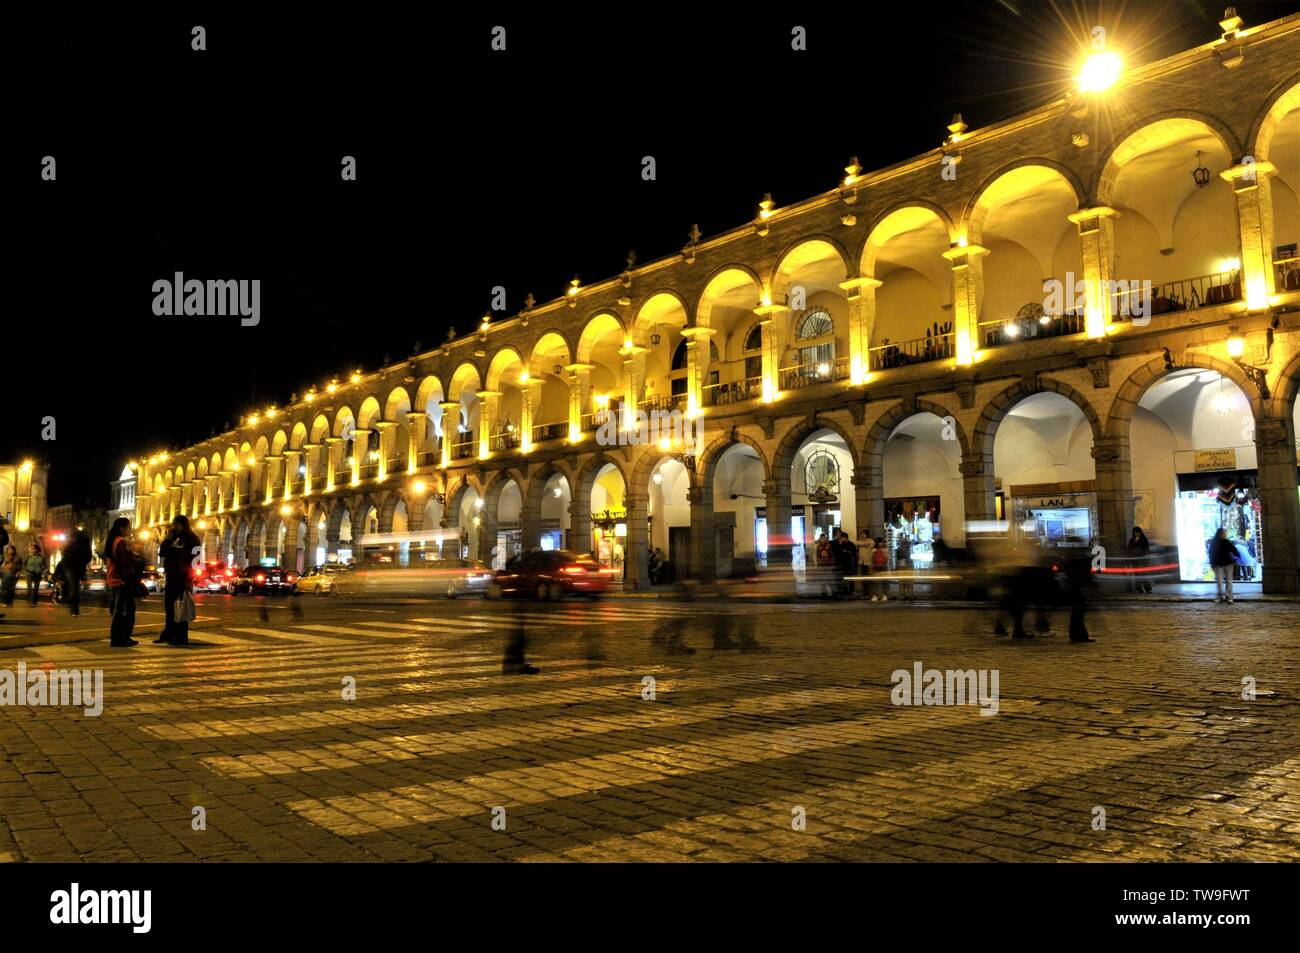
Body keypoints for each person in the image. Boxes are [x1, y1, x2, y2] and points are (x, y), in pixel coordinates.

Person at [157, 515, 200, 645]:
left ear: (181, 525)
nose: (172, 527)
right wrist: (168, 538)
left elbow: (196, 560)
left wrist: (190, 579)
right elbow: (162, 553)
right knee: (169, 607)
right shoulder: (173, 538)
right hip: (171, 576)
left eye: (174, 524)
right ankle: (168, 633)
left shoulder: (192, 539)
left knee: (181, 607)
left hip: (183, 578)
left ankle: (181, 636)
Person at [104, 518, 142, 647]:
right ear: (122, 528)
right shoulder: (120, 542)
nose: (130, 530)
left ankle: (120, 637)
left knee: (120, 609)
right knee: (125, 610)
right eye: (128, 527)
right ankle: (120, 637)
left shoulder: (112, 541)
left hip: (115, 578)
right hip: (122, 580)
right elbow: (125, 562)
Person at [60, 527, 93, 616]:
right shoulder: (85, 543)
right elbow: (89, 555)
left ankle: (73, 606)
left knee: (73, 587)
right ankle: (74, 607)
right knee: (75, 587)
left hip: (71, 567)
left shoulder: (71, 544)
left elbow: (65, 554)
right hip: (77, 567)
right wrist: (84, 562)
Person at [1209, 528, 1238, 604]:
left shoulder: (1225, 541)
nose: (1225, 534)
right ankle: (1224, 596)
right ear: (1220, 534)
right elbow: (1211, 554)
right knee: (1222, 582)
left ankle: (1227, 597)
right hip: (1221, 564)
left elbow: (1234, 550)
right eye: (1224, 533)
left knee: (1226, 581)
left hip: (1225, 563)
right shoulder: (1217, 542)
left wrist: (1236, 557)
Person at [1127, 526, 1153, 594]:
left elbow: (1145, 548)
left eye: (1137, 532)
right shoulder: (1132, 539)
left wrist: (1138, 549)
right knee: (1137, 575)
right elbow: (1129, 548)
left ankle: (1147, 588)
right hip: (1134, 560)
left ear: (1140, 532)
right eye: (1134, 532)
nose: (1135, 533)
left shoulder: (1144, 539)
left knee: (1142, 575)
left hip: (1142, 560)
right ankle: (1139, 589)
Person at [24, 541, 45, 606]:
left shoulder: (41, 557)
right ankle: (29, 601)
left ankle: (34, 602)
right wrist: (26, 570)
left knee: (36, 589)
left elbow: (44, 565)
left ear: (37, 550)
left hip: (37, 574)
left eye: (33, 549)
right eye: (31, 549)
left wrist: (41, 570)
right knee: (29, 588)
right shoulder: (28, 557)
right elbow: (24, 564)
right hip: (29, 574)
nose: (32, 550)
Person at [855, 531, 875, 597]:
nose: (863, 535)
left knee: (868, 576)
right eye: (862, 534)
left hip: (868, 561)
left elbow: (872, 543)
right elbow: (856, 543)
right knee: (863, 577)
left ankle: (869, 591)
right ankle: (865, 591)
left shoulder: (870, 540)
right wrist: (864, 544)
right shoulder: (860, 541)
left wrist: (863, 544)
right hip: (862, 561)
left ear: (867, 535)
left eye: (865, 534)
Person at [870, 537, 888, 601]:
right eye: (879, 542)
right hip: (877, 567)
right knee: (876, 582)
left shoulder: (875, 550)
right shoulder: (876, 550)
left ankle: (881, 595)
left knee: (882, 582)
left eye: (881, 542)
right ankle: (877, 595)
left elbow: (871, 559)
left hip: (881, 567)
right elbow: (872, 559)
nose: (880, 544)